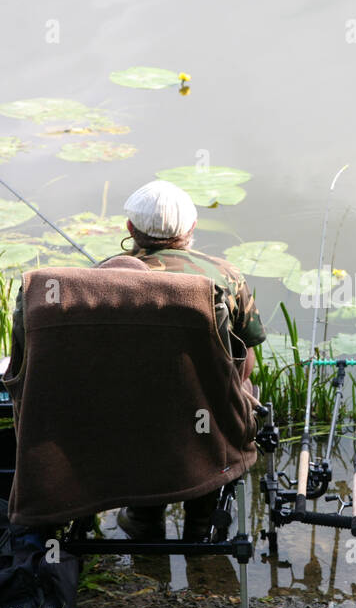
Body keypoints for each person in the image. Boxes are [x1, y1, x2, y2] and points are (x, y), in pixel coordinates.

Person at [105, 180, 265, 543]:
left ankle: (144, 516)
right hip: (206, 416)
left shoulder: (98, 278)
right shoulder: (225, 277)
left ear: (131, 229)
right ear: (191, 229)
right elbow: (246, 362)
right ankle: (203, 517)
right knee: (235, 389)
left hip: (128, 418)